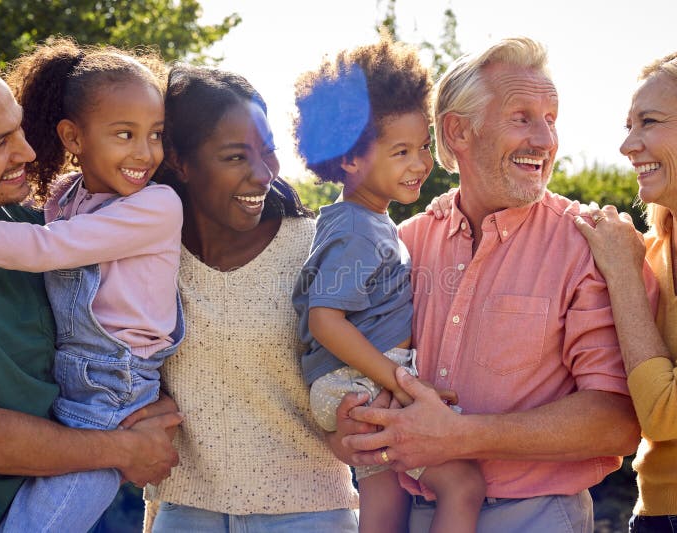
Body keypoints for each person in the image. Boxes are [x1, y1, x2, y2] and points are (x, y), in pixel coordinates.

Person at [336, 36, 643, 533]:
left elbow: (618, 421)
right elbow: (364, 372)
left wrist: (459, 436)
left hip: (539, 518)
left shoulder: (588, 244)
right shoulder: (401, 245)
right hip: (411, 514)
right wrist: (359, 418)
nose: (544, 141)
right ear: (459, 131)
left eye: (551, 118)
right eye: (522, 117)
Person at [0, 44, 181, 532]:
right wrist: (124, 448)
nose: (28, 151)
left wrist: (159, 402)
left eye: (19, 128)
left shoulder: (29, 224)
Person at [142, 64, 359, 532]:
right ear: (179, 160)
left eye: (268, 153)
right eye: (236, 157)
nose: (262, 175)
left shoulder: (317, 250)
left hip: (310, 514)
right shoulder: (150, 256)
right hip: (186, 511)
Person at [291, 38, 485, 533]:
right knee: (462, 485)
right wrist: (401, 382)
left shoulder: (366, 223)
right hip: (360, 381)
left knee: (384, 494)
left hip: (352, 381)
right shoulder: (357, 230)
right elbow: (324, 319)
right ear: (350, 157)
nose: (420, 164)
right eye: (401, 151)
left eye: (423, 147)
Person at [574, 48, 677, 532]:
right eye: (628, 125)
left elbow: (666, 413)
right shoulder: (648, 255)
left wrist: (621, 276)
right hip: (654, 514)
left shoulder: (628, 267)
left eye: (651, 122)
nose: (627, 146)